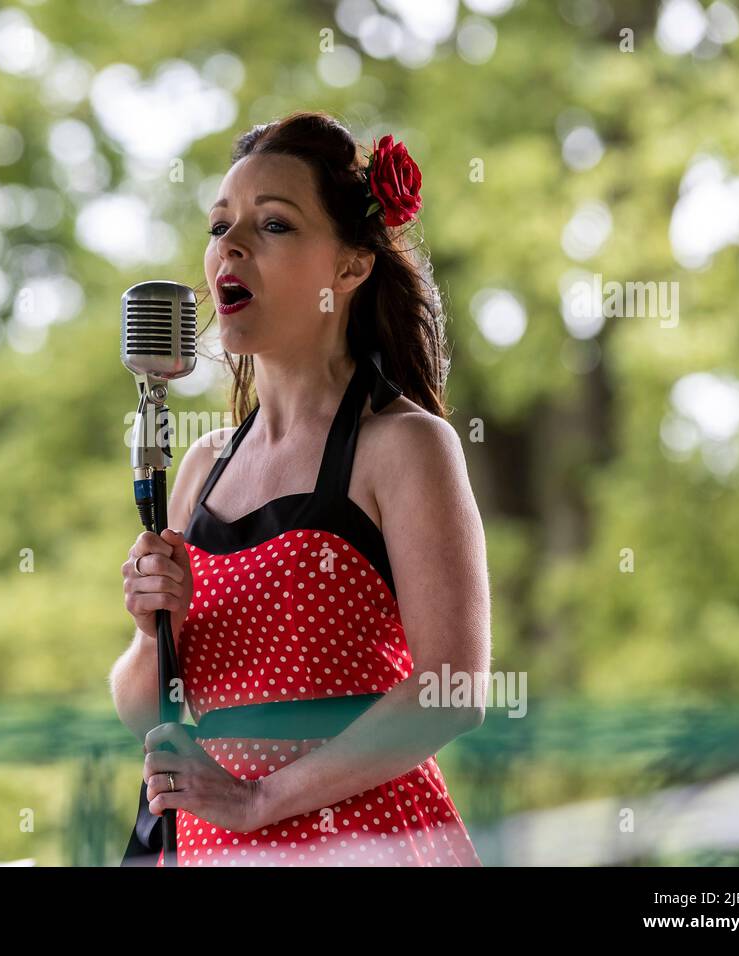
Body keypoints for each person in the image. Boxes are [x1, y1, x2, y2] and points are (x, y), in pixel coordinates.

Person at [110, 110, 490, 866]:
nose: (232, 246)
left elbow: (454, 689)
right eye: (221, 226)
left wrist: (258, 802)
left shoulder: (405, 445)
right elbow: (136, 705)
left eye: (274, 225)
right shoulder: (200, 466)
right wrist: (157, 625)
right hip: (209, 847)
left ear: (350, 267)